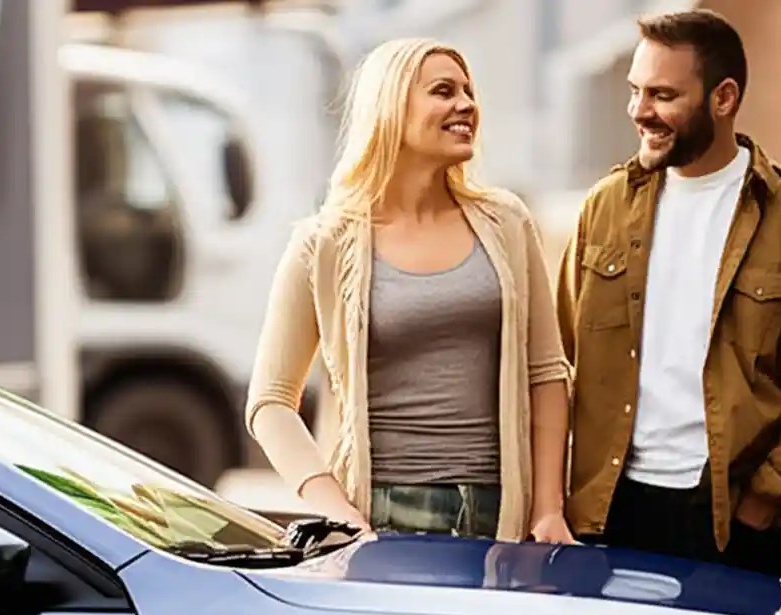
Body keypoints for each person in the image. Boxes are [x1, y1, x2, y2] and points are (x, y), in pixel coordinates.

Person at [556, 9, 781, 582]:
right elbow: (560, 358)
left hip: (734, 523)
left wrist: (764, 504)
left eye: (663, 94)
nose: (640, 111)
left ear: (723, 98)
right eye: (635, 91)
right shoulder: (603, 209)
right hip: (610, 512)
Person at [244, 37, 573, 543]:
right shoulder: (322, 244)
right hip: (381, 514)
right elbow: (270, 404)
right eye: (443, 91)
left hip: (501, 511)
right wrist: (339, 513)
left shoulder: (506, 223)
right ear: (391, 107)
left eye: (469, 91)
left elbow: (547, 372)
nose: (466, 104)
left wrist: (547, 509)